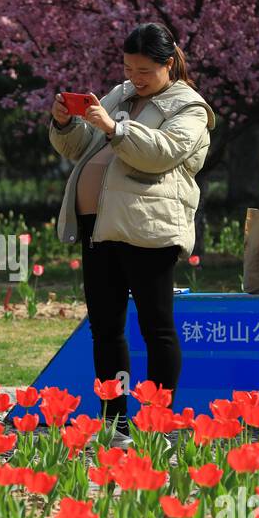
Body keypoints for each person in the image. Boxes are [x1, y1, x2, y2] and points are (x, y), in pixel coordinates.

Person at [49, 22, 215, 447]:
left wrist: (114, 128)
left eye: (145, 71)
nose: (135, 77)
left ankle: (156, 425)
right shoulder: (121, 94)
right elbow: (82, 146)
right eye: (128, 67)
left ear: (169, 64)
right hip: (99, 226)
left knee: (156, 328)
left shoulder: (190, 108)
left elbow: (160, 154)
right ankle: (115, 422)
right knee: (105, 328)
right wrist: (66, 123)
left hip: (149, 229)